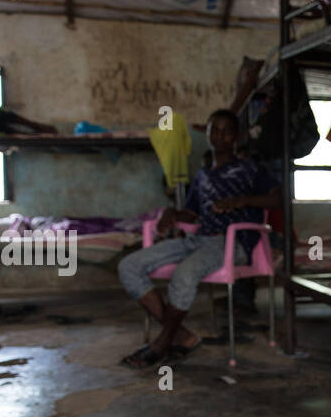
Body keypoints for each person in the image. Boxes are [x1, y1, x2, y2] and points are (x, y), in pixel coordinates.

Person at [118, 109, 281, 368]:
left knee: (184, 274)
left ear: (236, 137)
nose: (220, 135)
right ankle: (181, 337)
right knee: (128, 266)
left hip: (231, 243)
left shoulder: (249, 170)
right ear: (207, 135)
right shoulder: (202, 176)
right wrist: (172, 213)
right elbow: (192, 215)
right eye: (214, 130)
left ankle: (161, 344)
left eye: (227, 131)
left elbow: (277, 198)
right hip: (198, 240)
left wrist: (241, 200)